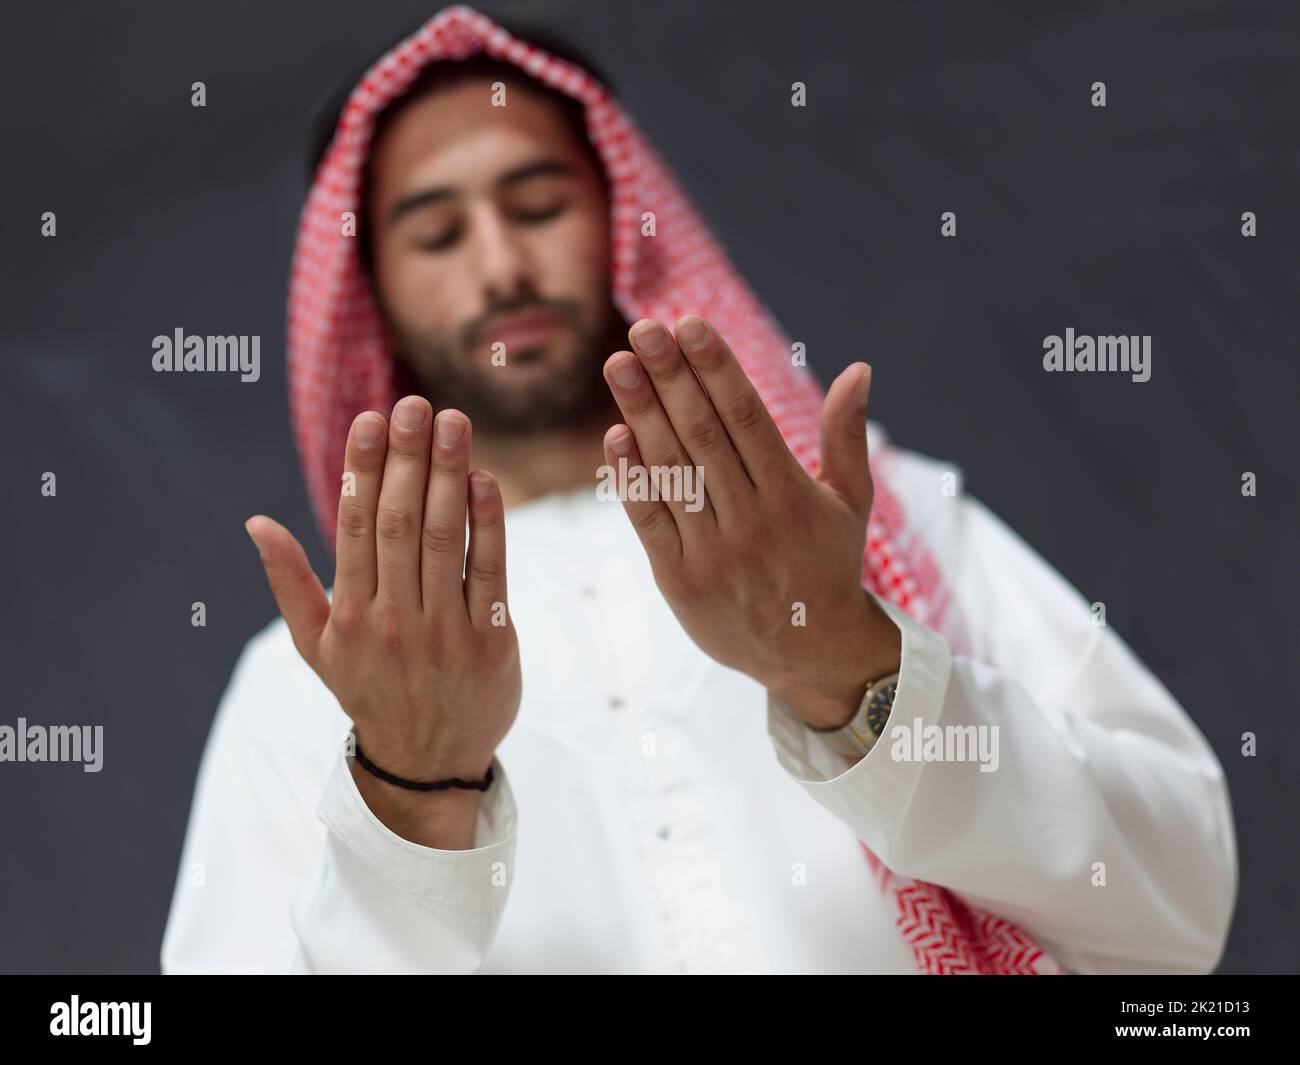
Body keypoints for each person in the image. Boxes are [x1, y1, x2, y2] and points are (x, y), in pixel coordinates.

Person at [161, 5, 1236, 974]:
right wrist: (412, 789)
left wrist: (844, 663)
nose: (500, 267)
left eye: (537, 206)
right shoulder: (318, 681)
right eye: (437, 234)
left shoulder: (862, 528)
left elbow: (1179, 906)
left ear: (625, 223)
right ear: (371, 299)